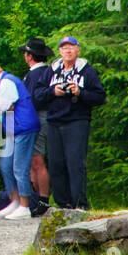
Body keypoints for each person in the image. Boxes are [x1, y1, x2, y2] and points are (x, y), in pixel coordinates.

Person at [33, 36, 106, 209]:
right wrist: (53, 91)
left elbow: (99, 96)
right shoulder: (52, 69)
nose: (67, 50)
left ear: (78, 50)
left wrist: (79, 92)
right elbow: (37, 94)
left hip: (77, 121)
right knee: (56, 163)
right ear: (59, 51)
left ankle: (79, 203)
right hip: (54, 121)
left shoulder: (86, 70)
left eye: (71, 47)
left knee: (75, 163)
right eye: (64, 47)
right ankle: (62, 203)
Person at [0, 62, 39, 220]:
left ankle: (25, 206)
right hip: (14, 130)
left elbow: (5, 106)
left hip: (23, 128)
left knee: (19, 167)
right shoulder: (4, 82)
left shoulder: (6, 82)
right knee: (5, 163)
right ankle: (15, 201)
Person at [20, 37, 53, 208]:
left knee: (37, 160)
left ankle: (42, 198)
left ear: (30, 56)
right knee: (34, 159)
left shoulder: (36, 74)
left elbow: (33, 100)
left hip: (37, 117)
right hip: (37, 117)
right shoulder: (44, 72)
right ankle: (38, 197)